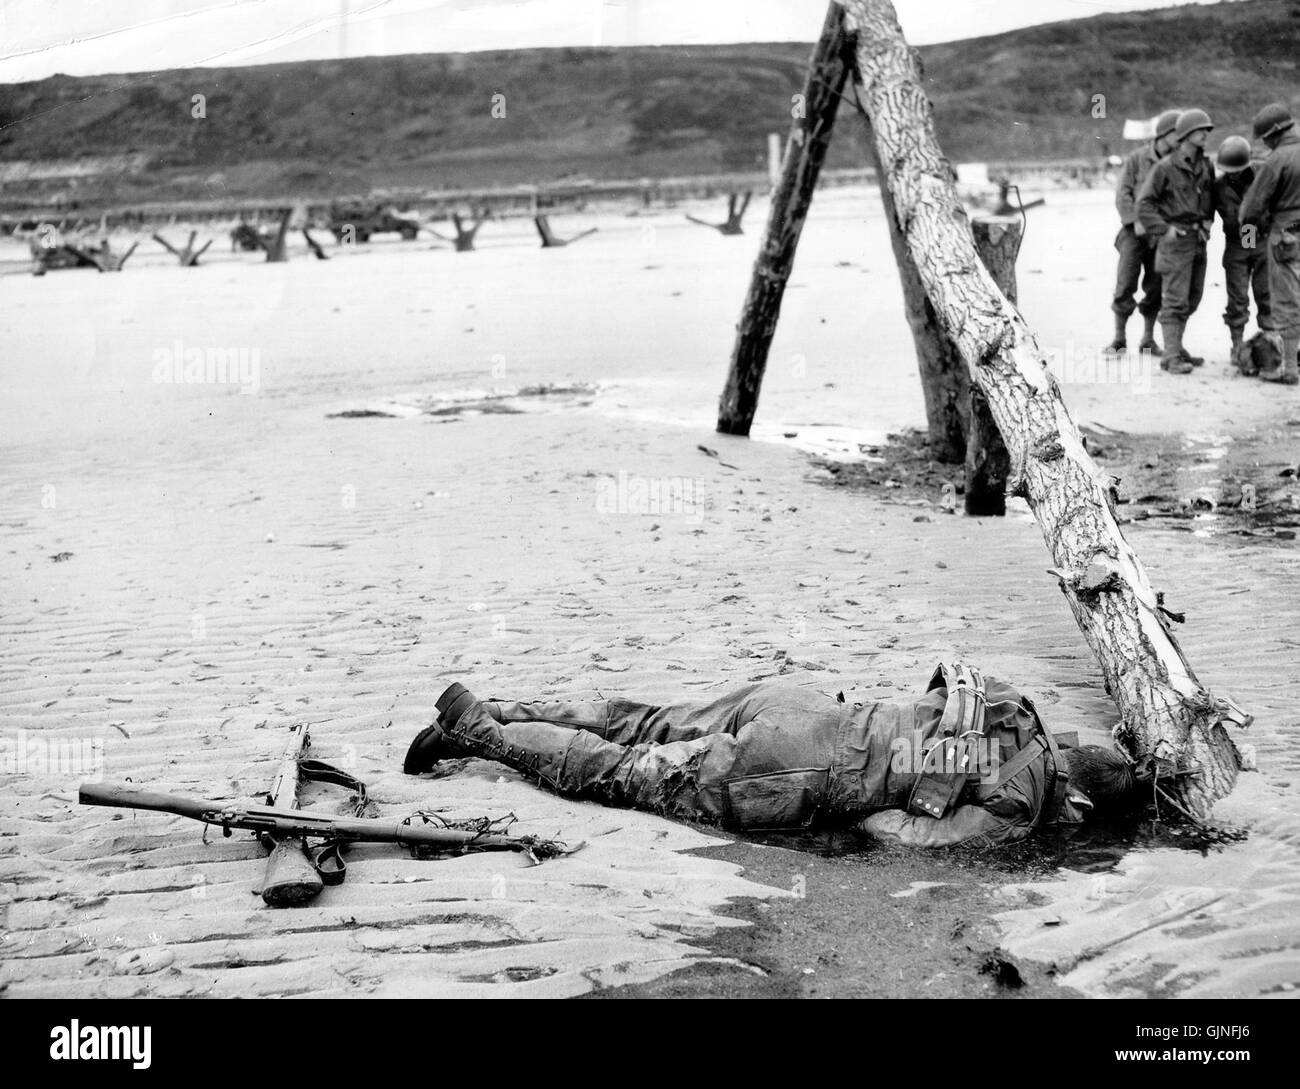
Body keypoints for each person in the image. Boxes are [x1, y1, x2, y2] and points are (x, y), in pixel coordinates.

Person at [402, 666, 1140, 849]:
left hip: (802, 704)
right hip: (799, 769)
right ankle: (478, 728)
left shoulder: (1017, 706)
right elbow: (897, 835)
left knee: (646, 723)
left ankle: (505, 706)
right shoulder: (1019, 807)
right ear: (1075, 803)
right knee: (626, 779)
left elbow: (933, 697)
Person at [1136, 108, 1217, 375]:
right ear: (1185, 134)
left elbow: (1209, 198)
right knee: (1174, 300)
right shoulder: (1165, 167)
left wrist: (1207, 221)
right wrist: (1164, 230)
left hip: (1197, 240)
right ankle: (1171, 356)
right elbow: (1144, 205)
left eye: (1207, 130)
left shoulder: (1205, 165)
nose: (1206, 134)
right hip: (1175, 242)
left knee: (1192, 298)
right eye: (1200, 130)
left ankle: (1176, 347)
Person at [1105, 108, 1181, 357]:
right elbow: (1122, 194)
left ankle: (1148, 339)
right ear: (1163, 134)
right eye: (1176, 134)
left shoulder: (1176, 162)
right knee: (1125, 282)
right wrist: (1135, 220)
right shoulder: (1136, 159)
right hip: (1133, 233)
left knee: (1156, 285)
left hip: (1160, 233)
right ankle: (1119, 338)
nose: (1179, 139)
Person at [1241, 102, 1300, 385]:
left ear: (1273, 134)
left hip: (1286, 237)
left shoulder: (1277, 159)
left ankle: (1289, 369)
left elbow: (1250, 209)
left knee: (1288, 302)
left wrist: (1261, 224)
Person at [1213, 135, 1272, 367]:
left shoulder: (1262, 175)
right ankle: (1237, 345)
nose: (1234, 174)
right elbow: (1205, 211)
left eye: (1237, 170)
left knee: (1266, 293)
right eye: (1230, 171)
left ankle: (1270, 342)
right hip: (1237, 244)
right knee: (1237, 297)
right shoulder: (1218, 186)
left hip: (1261, 241)